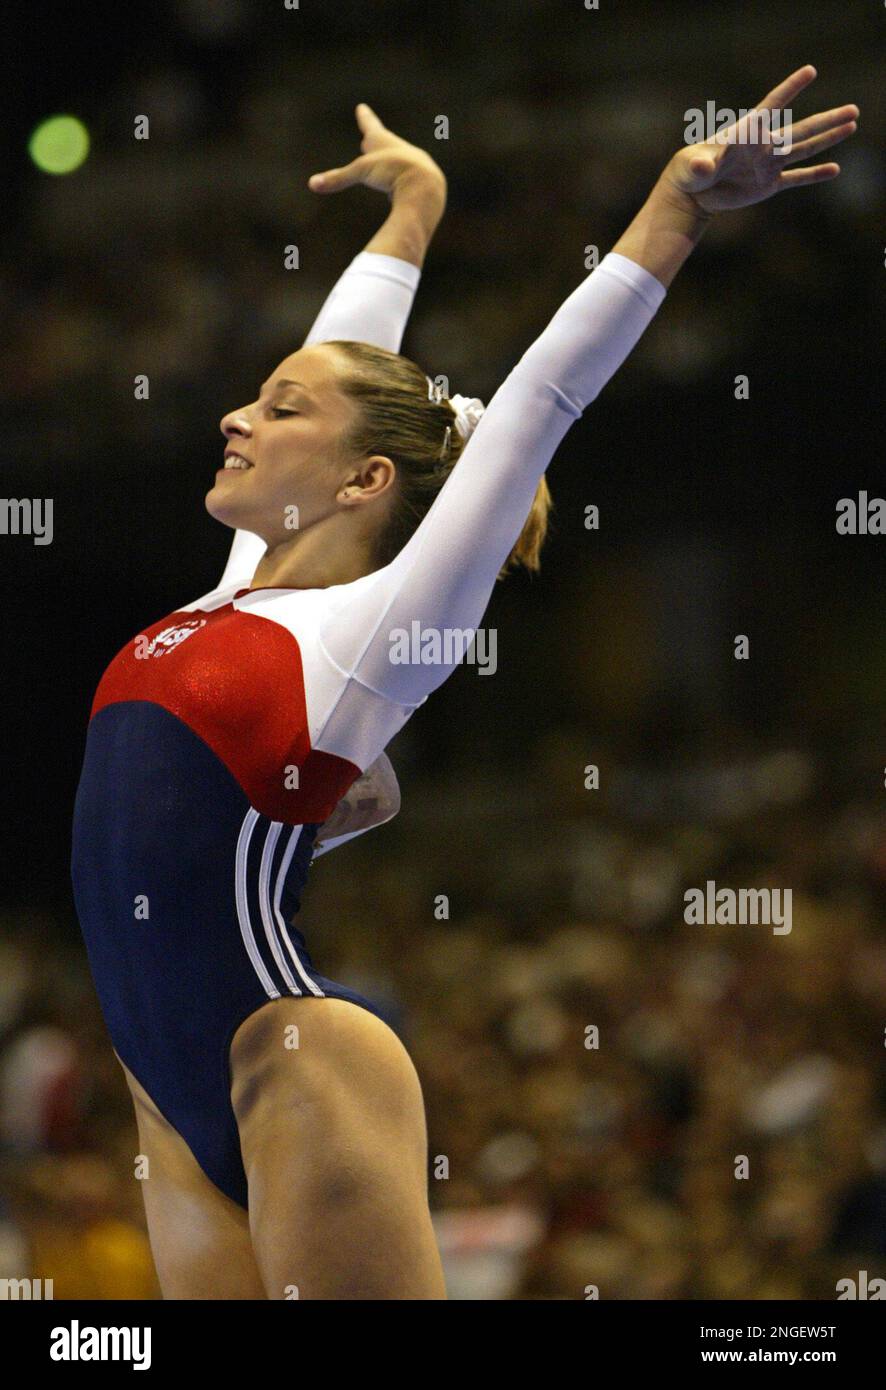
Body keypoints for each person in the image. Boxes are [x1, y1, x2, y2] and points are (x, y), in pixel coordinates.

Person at [72, 73, 858, 1299]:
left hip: (293, 1059)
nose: (235, 415)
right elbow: (353, 355)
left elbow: (538, 400)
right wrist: (411, 214)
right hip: (166, 1107)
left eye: (276, 409)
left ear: (361, 482)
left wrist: (673, 212)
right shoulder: (238, 590)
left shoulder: (376, 631)